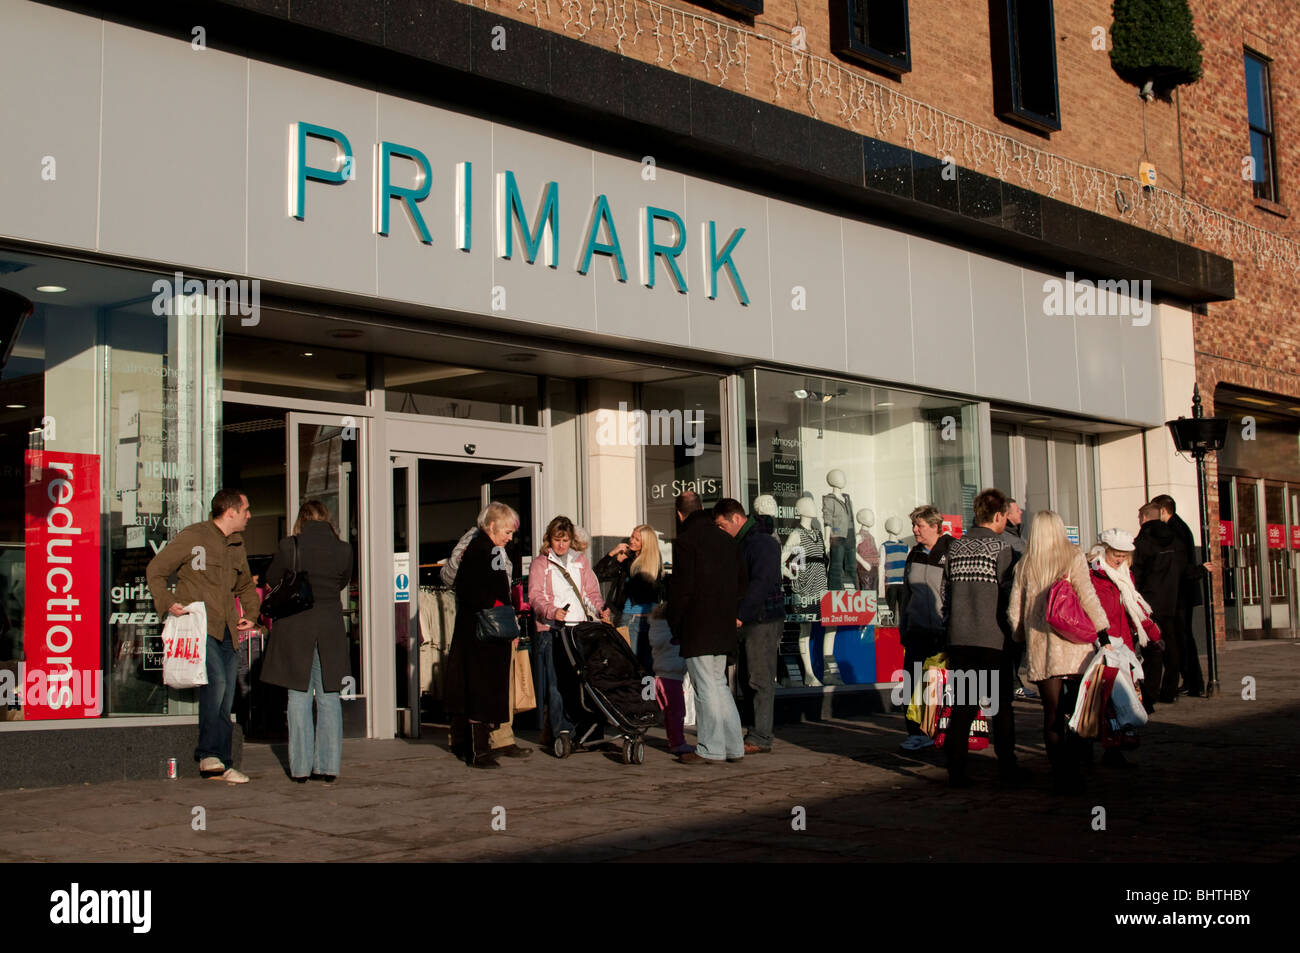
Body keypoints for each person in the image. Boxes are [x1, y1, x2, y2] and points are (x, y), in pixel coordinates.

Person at [146, 488, 261, 783]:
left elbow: (246, 585)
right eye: (246, 509)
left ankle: (221, 763)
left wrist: (251, 613)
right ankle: (208, 754)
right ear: (231, 511)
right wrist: (166, 601)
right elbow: (156, 570)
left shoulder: (237, 543)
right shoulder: (194, 535)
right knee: (218, 683)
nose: (249, 515)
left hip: (228, 630)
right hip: (199, 628)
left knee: (226, 698)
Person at [1007, 511, 1110, 794]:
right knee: (1078, 712)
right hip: (1074, 646)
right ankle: (1077, 766)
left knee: (1051, 714)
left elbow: (1015, 609)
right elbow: (1087, 595)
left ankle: (1060, 773)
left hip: (1041, 650)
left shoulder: (1027, 563)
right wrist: (1103, 629)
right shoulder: (1073, 556)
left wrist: (1020, 636)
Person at [259, 500, 353, 782]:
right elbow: (342, 582)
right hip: (330, 626)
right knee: (329, 697)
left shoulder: (290, 546)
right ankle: (327, 767)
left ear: (301, 519)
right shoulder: (344, 549)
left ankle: (299, 769)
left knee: (298, 697)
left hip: (295, 626)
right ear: (327, 519)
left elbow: (271, 579)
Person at [940, 488, 1021, 787]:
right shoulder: (1002, 549)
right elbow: (1009, 595)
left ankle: (956, 769)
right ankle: (1007, 766)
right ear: (999, 516)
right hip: (994, 639)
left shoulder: (955, 548)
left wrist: (949, 628)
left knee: (963, 706)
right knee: (1000, 706)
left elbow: (944, 595)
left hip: (960, 639)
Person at [442, 512, 532, 762]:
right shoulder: (484, 549)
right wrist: (498, 606)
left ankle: (470, 746)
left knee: (477, 688)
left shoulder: (482, 548)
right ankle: (479, 750)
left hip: (478, 628)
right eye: (507, 532)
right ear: (492, 527)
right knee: (482, 688)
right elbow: (478, 588)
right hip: (484, 631)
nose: (510, 538)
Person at [667, 491, 744, 764]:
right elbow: (740, 581)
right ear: (702, 507)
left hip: (697, 623)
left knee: (705, 686)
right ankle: (734, 745)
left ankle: (711, 748)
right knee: (720, 683)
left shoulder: (686, 542)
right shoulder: (726, 540)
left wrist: (675, 622)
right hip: (722, 622)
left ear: (680, 514)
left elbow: (682, 589)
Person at [528, 516, 609, 753]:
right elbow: (535, 596)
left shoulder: (580, 561)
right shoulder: (541, 564)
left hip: (579, 629)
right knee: (556, 684)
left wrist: (600, 608)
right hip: (552, 630)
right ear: (549, 539)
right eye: (557, 540)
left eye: (565, 540)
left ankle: (581, 729)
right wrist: (552, 612)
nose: (561, 545)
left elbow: (590, 592)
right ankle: (559, 732)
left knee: (579, 682)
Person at [713, 498, 785, 755]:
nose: (721, 530)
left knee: (759, 677)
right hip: (749, 617)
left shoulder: (761, 542)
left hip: (761, 618)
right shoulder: (743, 543)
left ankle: (761, 735)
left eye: (722, 525)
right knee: (747, 677)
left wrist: (741, 614)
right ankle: (753, 731)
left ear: (736, 519)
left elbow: (761, 582)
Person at [1087, 529, 1160, 767]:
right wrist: (1102, 638)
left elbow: (1134, 608)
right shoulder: (1093, 574)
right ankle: (1092, 747)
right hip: (1102, 642)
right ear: (1105, 549)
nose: (1119, 559)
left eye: (1123, 555)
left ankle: (1114, 749)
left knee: (1119, 701)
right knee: (1102, 700)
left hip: (1123, 644)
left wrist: (1153, 632)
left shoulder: (1124, 576)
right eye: (1115, 554)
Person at [897, 505, 954, 751]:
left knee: (938, 687)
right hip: (916, 631)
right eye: (914, 525)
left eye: (919, 525)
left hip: (942, 633)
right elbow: (906, 595)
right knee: (911, 685)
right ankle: (915, 733)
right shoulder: (914, 554)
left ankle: (940, 731)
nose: (915, 530)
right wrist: (904, 627)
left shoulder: (952, 550)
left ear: (934, 526)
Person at [1150, 494, 1207, 697]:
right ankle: (1192, 681)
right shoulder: (1180, 528)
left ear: (1163, 511)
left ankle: (1193, 681)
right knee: (1182, 639)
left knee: (1182, 639)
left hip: (1179, 594)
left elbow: (1179, 565)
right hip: (1182, 593)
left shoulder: (1173, 531)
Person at [1133, 502, 1187, 705]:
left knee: (1152, 649)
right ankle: (1169, 690)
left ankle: (1150, 693)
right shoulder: (1175, 540)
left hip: (1149, 602)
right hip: (1171, 602)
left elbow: (1137, 573)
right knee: (1171, 648)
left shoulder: (1143, 541)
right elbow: (1183, 569)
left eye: (1139, 518)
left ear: (1145, 518)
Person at [595, 524, 665, 673]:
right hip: (630, 618)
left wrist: (624, 561)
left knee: (646, 668)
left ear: (645, 543)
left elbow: (641, 588)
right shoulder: (628, 560)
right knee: (632, 667)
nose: (631, 541)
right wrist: (612, 554)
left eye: (637, 539)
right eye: (632, 536)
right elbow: (598, 574)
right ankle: (641, 696)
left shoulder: (650, 562)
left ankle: (647, 696)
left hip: (646, 621)